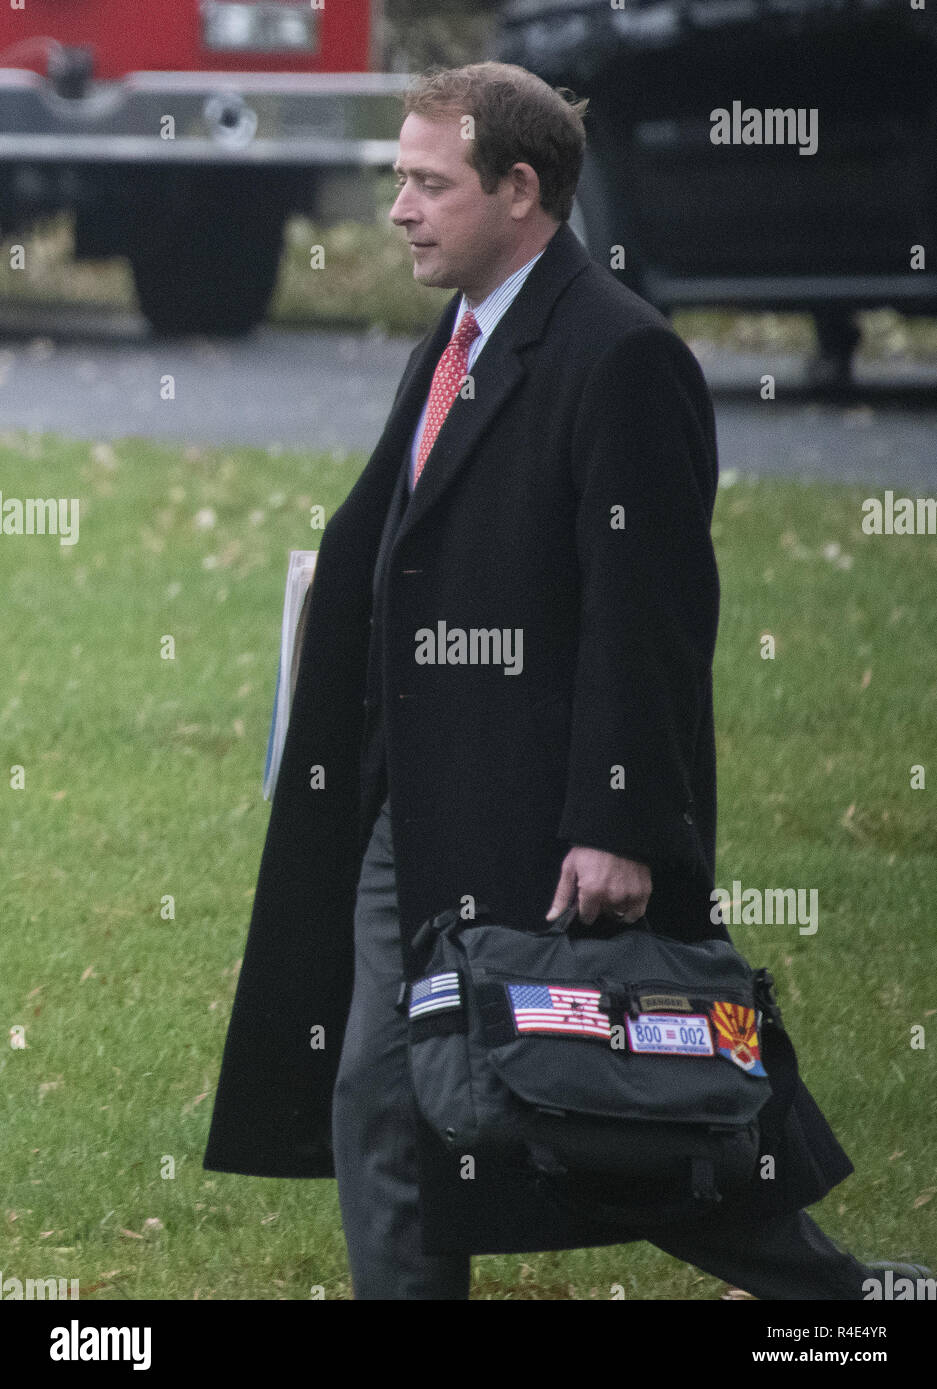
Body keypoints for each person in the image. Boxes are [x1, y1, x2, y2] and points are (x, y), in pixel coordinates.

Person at [203, 61, 931, 1301]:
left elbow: (646, 615)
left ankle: (845, 1301)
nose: (400, 210)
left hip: (539, 820)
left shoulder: (620, 354)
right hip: (414, 802)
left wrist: (617, 819)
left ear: (522, 191)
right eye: (399, 180)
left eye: (430, 184)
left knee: (618, 1114)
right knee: (387, 1096)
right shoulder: (464, 328)